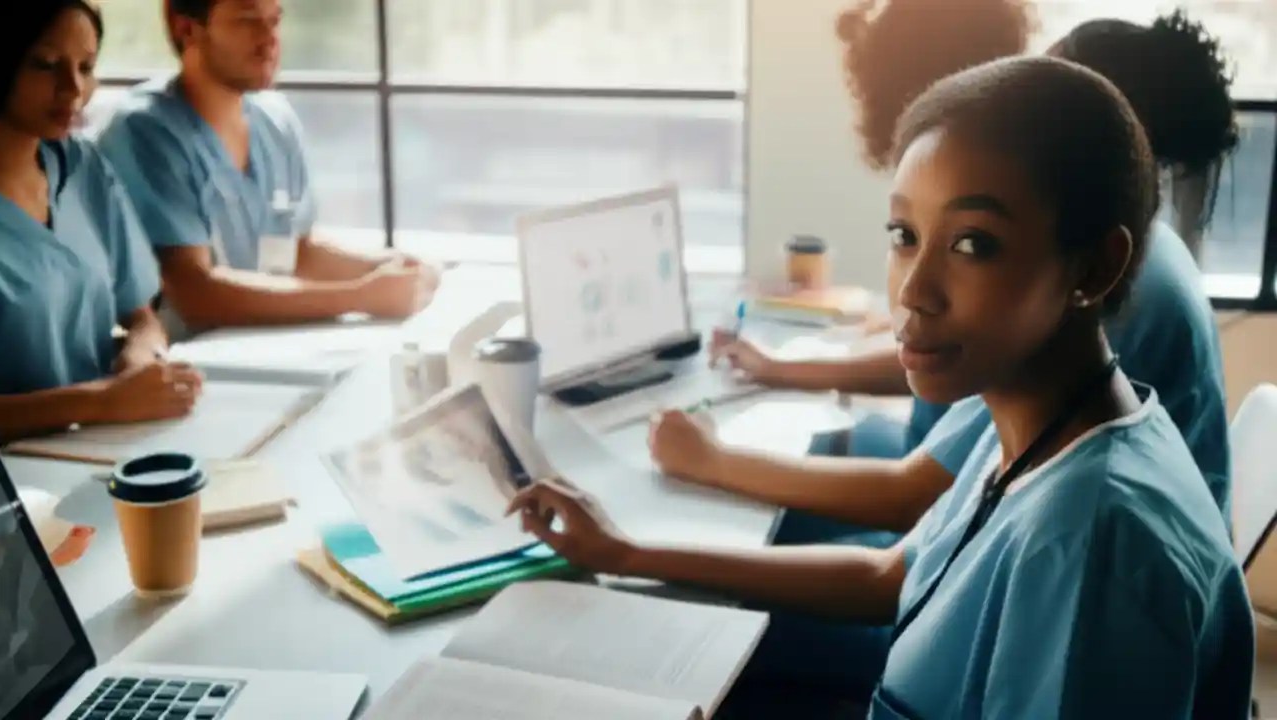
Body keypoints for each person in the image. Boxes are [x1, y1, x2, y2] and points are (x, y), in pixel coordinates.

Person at [511, 57, 1254, 719]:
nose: (914, 292)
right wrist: (628, 552)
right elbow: (889, 572)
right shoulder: (1038, 426)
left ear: (1093, 270)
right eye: (904, 236)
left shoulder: (1091, 546)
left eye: (973, 244)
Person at [684, 7, 1235, 542]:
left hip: (986, 537)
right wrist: (780, 369)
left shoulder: (1111, 295)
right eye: (904, 235)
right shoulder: (1110, 265)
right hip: (970, 529)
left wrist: (709, 462)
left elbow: (912, 505)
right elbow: (947, 358)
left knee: (741, 536)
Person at [96, 0, 440, 335]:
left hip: (269, 348)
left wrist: (390, 270)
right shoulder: (146, 131)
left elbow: (298, 253)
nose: (269, 40)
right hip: (189, 368)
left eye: (274, 20)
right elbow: (193, 291)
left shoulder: (274, 120)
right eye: (248, 21)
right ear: (185, 27)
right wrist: (361, 296)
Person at [0, 0, 203, 442]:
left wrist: (141, 361)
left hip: (95, 446)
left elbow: (142, 317)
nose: (73, 89)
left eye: (86, 67)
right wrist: (101, 401)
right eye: (46, 65)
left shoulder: (82, 168)